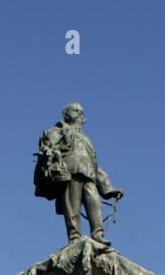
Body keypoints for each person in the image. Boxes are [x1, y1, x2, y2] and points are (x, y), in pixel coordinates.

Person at [34, 103, 123, 244]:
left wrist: (109, 188)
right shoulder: (59, 130)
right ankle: (74, 237)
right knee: (72, 207)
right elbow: (47, 146)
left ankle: (98, 233)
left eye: (81, 112)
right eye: (75, 111)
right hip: (71, 172)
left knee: (94, 202)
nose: (79, 114)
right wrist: (50, 153)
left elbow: (94, 165)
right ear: (66, 114)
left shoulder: (85, 139)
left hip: (89, 174)